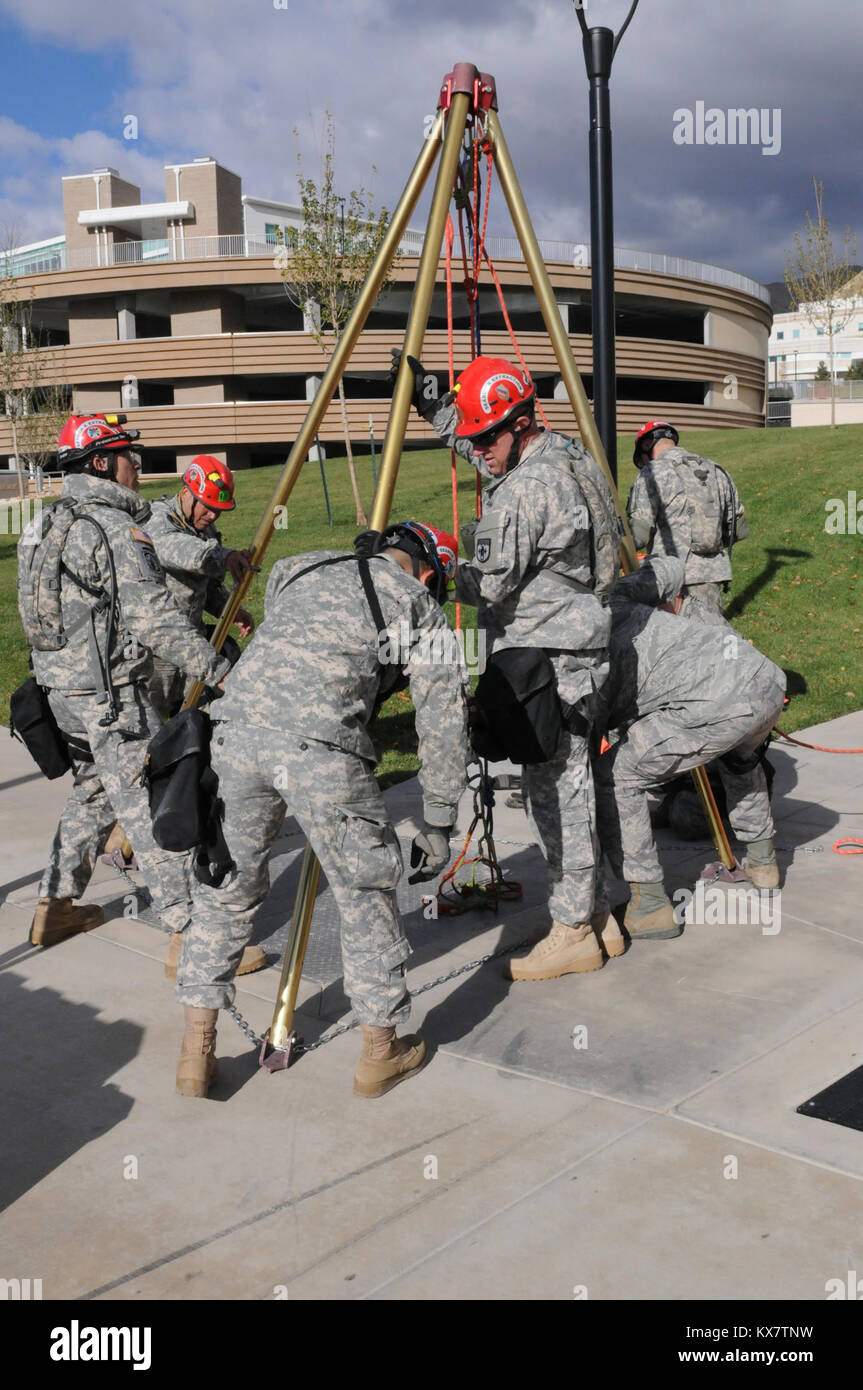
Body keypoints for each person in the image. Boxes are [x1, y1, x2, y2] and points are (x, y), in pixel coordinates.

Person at [174, 520, 469, 1100]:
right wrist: (437, 815)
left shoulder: (300, 565)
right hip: (321, 750)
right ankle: (381, 1055)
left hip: (233, 732)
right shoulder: (415, 602)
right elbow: (443, 712)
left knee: (226, 889)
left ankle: (194, 1052)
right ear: (429, 573)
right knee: (365, 894)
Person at [400, 352, 622, 982]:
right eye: (471, 437)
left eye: (486, 437)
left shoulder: (525, 491)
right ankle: (601, 914)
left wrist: (428, 568)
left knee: (556, 794)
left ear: (520, 423)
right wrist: (436, 409)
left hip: (549, 663)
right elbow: (489, 451)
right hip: (580, 648)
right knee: (577, 783)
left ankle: (574, 928)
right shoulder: (567, 457)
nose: (479, 450)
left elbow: (488, 584)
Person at [18, 414, 264, 979]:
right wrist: (220, 669)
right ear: (103, 462)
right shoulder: (113, 529)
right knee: (155, 802)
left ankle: (55, 905)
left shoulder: (42, 523)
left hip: (60, 695)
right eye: (131, 455)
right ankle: (192, 938)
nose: (139, 465)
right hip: (111, 697)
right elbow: (156, 621)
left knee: (94, 793)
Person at [592, 555, 785, 940]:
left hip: (721, 703)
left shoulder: (587, 648)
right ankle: (763, 864)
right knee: (741, 761)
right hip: (767, 680)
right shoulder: (622, 598)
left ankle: (649, 905)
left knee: (615, 774)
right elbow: (670, 568)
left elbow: (583, 737)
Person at [145, 456, 256, 721]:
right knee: (152, 727)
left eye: (218, 510)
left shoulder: (203, 528)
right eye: (207, 507)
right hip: (157, 652)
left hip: (192, 647)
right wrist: (224, 557)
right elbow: (179, 550)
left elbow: (204, 585)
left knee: (200, 723)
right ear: (186, 492)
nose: (212, 515)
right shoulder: (158, 521)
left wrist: (230, 610)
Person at [626, 420, 748, 619]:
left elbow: (639, 535)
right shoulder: (716, 470)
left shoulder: (653, 472)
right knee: (709, 640)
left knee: (677, 644)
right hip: (712, 577)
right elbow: (739, 530)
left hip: (670, 580)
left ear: (647, 445)